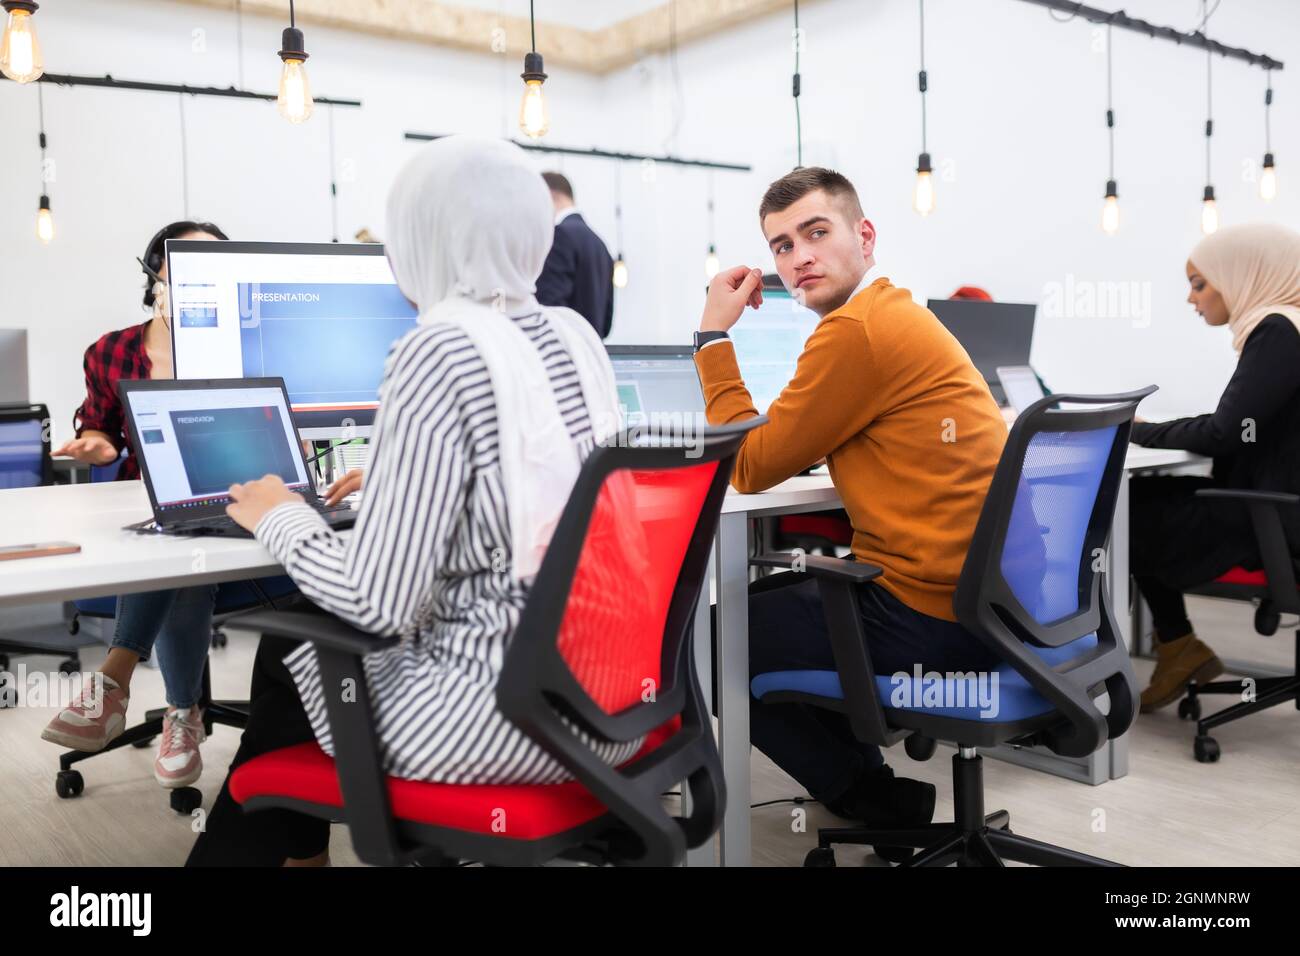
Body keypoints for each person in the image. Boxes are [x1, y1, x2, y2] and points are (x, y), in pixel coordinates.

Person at [187, 136, 625, 867]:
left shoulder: (439, 346)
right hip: (609, 698)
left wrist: (280, 516)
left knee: (299, 636)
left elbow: (379, 601)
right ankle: (298, 853)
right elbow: (531, 482)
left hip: (504, 714)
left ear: (424, 236)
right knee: (298, 639)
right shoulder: (573, 334)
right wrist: (400, 472)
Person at [693, 167, 1008, 830]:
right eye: (781, 245)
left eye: (816, 232)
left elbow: (746, 467)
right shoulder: (891, 313)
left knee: (711, 633)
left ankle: (873, 800)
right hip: (994, 611)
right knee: (769, 609)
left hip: (935, 618)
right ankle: (874, 789)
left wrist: (713, 338)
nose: (799, 255)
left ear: (864, 236)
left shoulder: (856, 330)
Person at [42, 221, 230, 790]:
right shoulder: (111, 351)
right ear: (156, 279)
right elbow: (102, 432)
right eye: (186, 270)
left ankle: (114, 681)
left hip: (229, 500)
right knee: (175, 541)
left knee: (185, 532)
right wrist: (96, 444)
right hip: (145, 515)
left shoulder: (239, 342)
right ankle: (182, 714)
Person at [1129, 222, 1300, 712]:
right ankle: (1177, 646)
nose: (1191, 298)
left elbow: (1227, 431)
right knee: (1148, 499)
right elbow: (1242, 426)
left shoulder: (1276, 330)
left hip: (1270, 519)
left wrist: (1135, 431)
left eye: (1200, 283)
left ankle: (1173, 648)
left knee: (1121, 511)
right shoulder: (1286, 326)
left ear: (1244, 275)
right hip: (1275, 505)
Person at [535, 171, 615, 338]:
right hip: (594, 355)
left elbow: (549, 308)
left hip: (563, 354)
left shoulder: (558, 236)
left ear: (548, 195)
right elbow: (606, 323)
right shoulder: (600, 244)